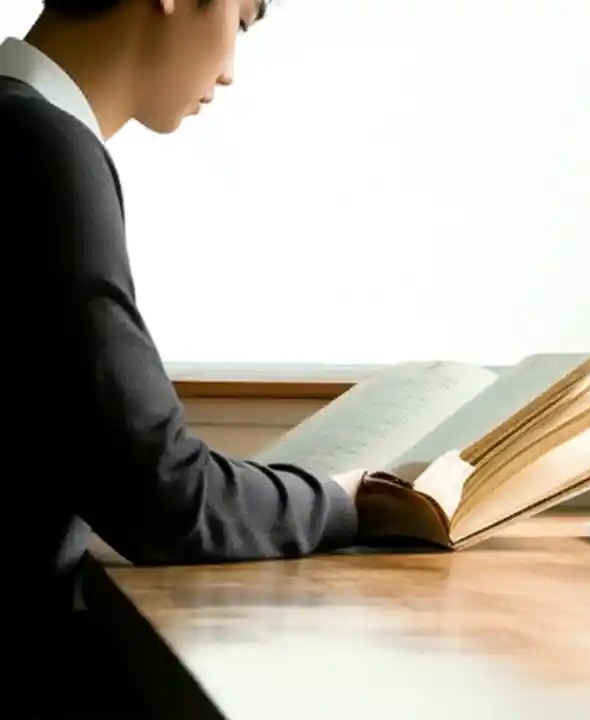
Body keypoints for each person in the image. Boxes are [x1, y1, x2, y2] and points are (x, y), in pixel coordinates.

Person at [0, 1, 372, 715]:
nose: (231, 70)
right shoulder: (38, 147)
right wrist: (347, 500)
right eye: (243, 18)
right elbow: (162, 496)